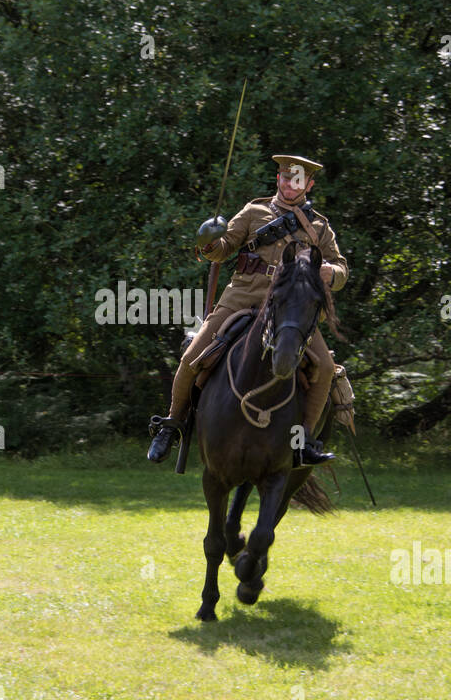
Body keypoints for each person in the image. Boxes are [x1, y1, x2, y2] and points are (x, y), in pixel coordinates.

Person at [148, 154, 348, 467]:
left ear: (308, 184)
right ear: (279, 179)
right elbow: (223, 250)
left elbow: (342, 269)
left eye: (298, 180)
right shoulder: (255, 212)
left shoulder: (319, 227)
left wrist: (329, 273)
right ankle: (171, 425)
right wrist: (209, 242)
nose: (290, 184)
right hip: (242, 296)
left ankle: (304, 441)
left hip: (289, 308)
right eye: (286, 178)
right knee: (192, 356)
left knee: (323, 367)